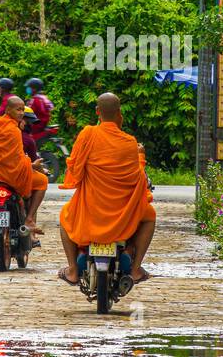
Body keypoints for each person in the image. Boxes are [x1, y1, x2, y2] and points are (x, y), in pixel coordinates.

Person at [58, 92, 156, 286]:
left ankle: (72, 270)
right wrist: (141, 157)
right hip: (121, 214)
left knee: (64, 215)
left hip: (91, 210)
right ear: (120, 113)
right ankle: (135, 269)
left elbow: (75, 171)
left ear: (97, 111)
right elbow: (137, 178)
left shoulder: (88, 134)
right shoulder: (129, 142)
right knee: (150, 216)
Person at [0, 95, 47, 237]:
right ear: (8, 110)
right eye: (17, 109)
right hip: (13, 178)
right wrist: (31, 165)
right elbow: (19, 159)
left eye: (22, 110)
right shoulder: (15, 130)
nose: (21, 113)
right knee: (42, 181)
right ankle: (29, 219)